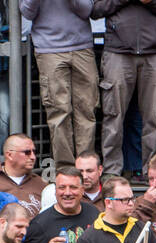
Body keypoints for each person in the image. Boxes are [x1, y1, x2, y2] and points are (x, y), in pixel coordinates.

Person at [91, 0, 156, 177]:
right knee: (113, 115)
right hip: (117, 52)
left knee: (154, 117)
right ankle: (111, 174)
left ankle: (153, 174)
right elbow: (95, 10)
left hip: (153, 53)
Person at [22, 0, 99, 168]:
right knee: (58, 112)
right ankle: (66, 170)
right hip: (49, 49)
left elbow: (87, 10)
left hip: (82, 47)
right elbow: (27, 12)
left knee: (87, 110)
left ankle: (85, 168)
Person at [25, 166, 99, 243]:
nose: (67, 193)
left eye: (73, 187)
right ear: (55, 191)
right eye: (62, 187)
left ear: (82, 190)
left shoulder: (94, 213)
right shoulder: (39, 224)